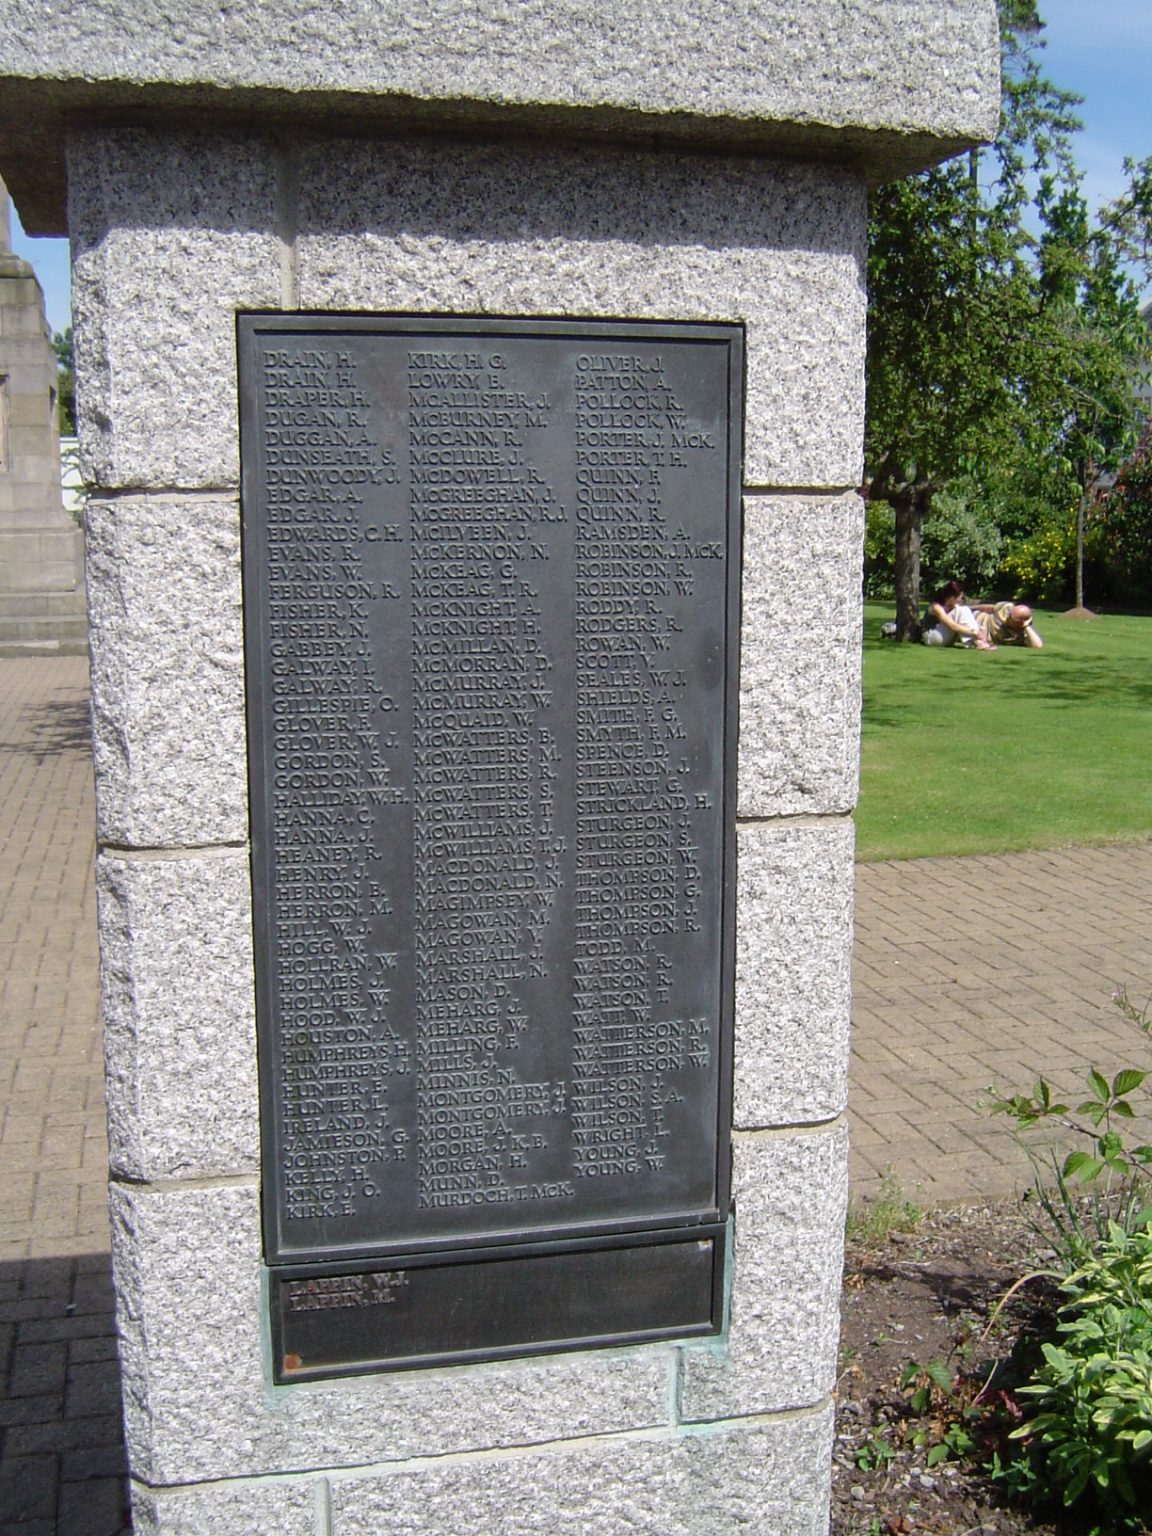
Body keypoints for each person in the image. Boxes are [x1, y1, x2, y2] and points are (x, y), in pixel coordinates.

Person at [921, 580, 994, 648]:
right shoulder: (936, 606)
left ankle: (978, 641)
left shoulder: (952, 606)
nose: (960, 600)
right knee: (961, 610)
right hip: (931, 638)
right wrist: (973, 632)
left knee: (964, 609)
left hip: (944, 637)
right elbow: (952, 626)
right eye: (960, 598)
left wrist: (988, 608)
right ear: (952, 597)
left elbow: (969, 609)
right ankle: (978, 641)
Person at [972, 601, 1044, 649]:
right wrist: (969, 607)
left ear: (1020, 623)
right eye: (1009, 614)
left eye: (1011, 618)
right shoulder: (1007, 607)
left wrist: (1026, 626)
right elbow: (989, 608)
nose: (1007, 617)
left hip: (975, 632)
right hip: (973, 616)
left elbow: (1038, 645)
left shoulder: (1021, 634)